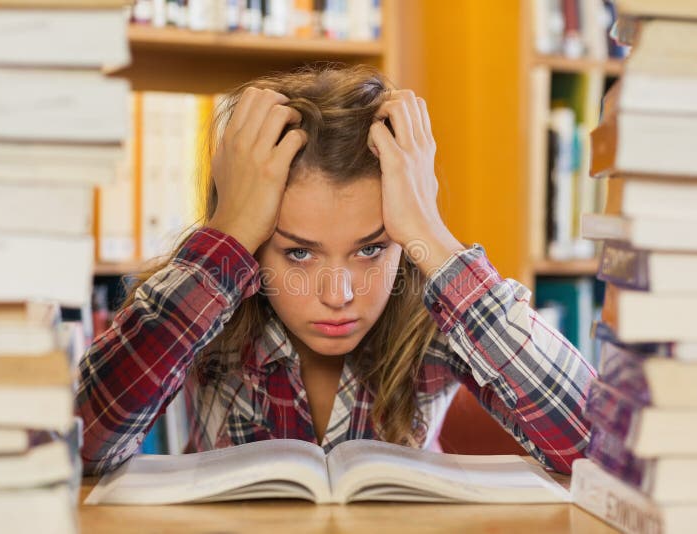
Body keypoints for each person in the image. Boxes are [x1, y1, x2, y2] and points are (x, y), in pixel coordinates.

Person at [76, 64, 596, 477]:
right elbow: (80, 446)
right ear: (255, 248)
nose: (338, 295)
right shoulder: (207, 303)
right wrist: (228, 235)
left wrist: (431, 237)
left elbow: (596, 449)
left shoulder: (429, 316)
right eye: (298, 253)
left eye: (371, 249)